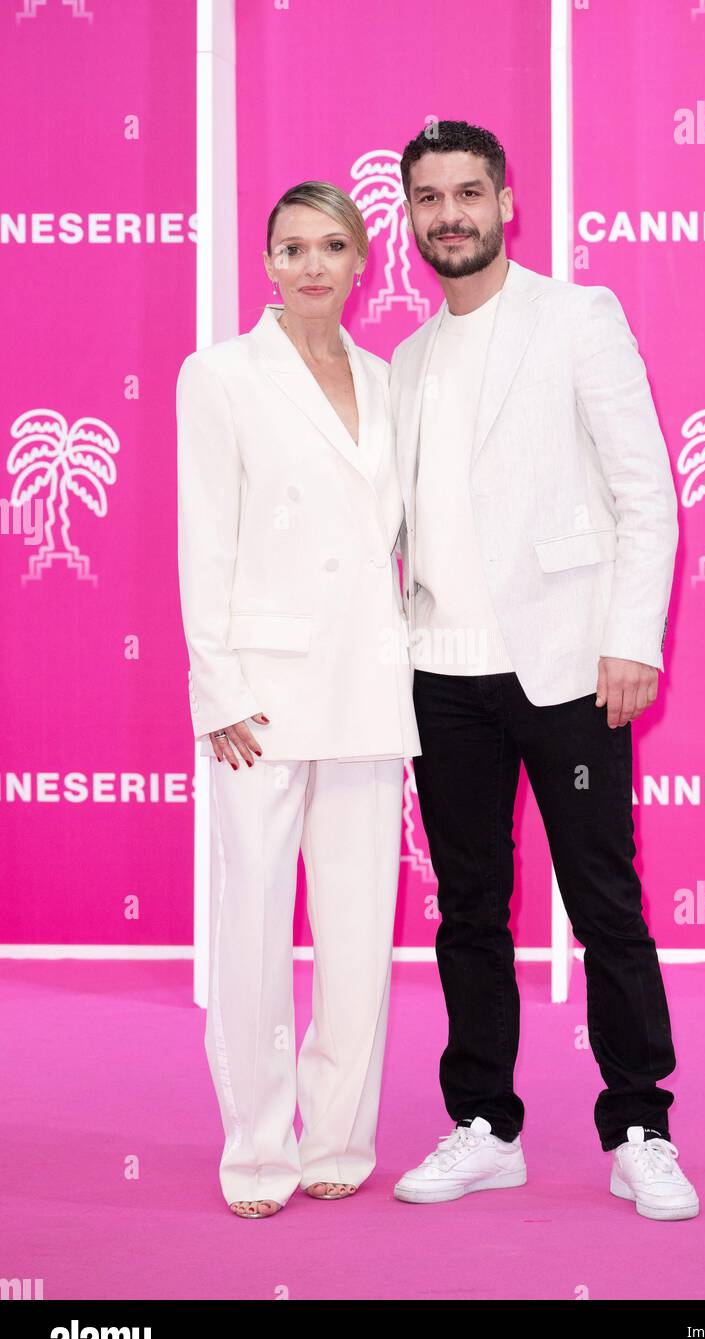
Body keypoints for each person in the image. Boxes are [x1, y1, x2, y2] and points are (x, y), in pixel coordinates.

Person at [388, 121, 699, 1220]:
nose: (450, 215)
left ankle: (640, 1126)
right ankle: (483, 1123)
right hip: (442, 677)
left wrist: (632, 636)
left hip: (568, 669)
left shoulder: (576, 316)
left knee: (601, 899)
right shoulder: (408, 360)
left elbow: (642, 490)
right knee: (467, 908)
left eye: (467, 192)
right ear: (410, 216)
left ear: (506, 202)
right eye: (428, 199)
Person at [176, 181, 420, 1218]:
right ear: (265, 262)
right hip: (261, 697)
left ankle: (338, 1135)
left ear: (363, 259)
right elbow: (204, 538)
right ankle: (255, 1150)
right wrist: (216, 683)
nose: (311, 265)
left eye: (331, 245)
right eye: (290, 247)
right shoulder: (220, 376)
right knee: (253, 925)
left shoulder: (387, 376)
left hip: (368, 685)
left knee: (361, 928)